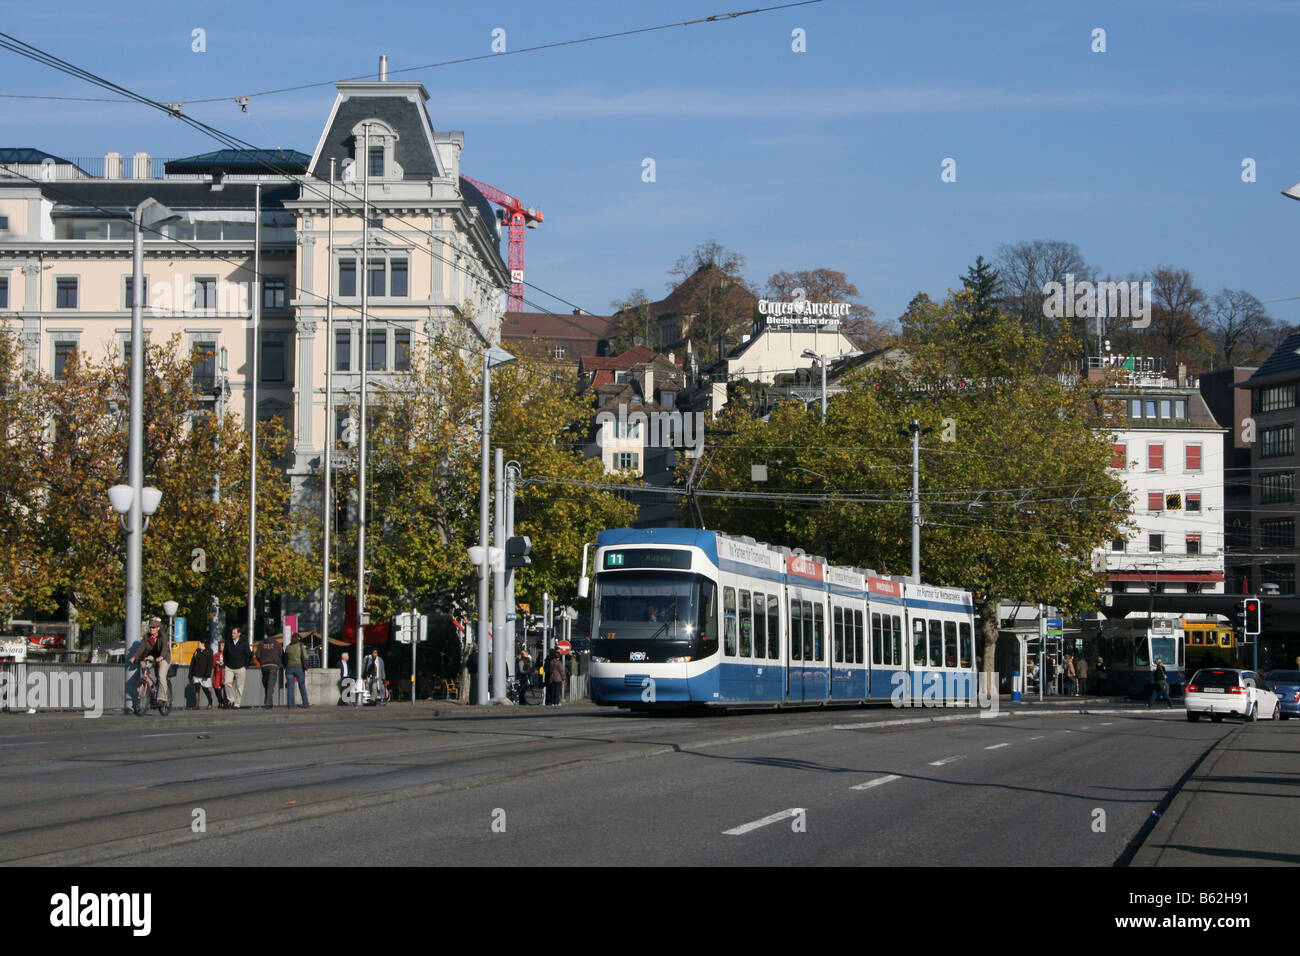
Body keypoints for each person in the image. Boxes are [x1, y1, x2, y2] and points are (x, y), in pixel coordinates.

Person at [131, 617, 171, 707]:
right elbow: (142, 647)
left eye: (153, 627)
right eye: (150, 627)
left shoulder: (163, 636)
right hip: (154, 656)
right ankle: (152, 686)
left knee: (161, 675)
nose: (151, 629)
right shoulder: (147, 636)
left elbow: (164, 648)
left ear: (158, 628)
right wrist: (135, 657)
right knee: (144, 665)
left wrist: (161, 657)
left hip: (164, 657)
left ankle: (162, 698)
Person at [223, 626, 250, 708]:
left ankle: (237, 704)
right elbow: (225, 654)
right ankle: (232, 699)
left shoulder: (244, 643)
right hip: (229, 667)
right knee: (227, 683)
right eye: (232, 633)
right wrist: (226, 664)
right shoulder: (228, 642)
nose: (232, 635)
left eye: (234, 633)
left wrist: (245, 666)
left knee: (239, 687)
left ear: (239, 634)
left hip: (240, 667)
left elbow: (248, 654)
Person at [284, 632, 310, 709]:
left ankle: (291, 705)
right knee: (302, 686)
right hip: (299, 668)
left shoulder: (288, 647)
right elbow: (306, 656)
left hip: (289, 668)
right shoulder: (300, 646)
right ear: (298, 638)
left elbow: (285, 658)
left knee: (290, 687)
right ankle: (305, 703)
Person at [259, 633, 284, 709]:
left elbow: (257, 655)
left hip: (264, 666)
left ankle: (269, 702)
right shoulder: (277, 644)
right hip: (273, 665)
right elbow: (281, 654)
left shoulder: (262, 644)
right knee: (270, 685)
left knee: (266, 684)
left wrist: (262, 661)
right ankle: (268, 703)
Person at [190, 641, 215, 709]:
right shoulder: (196, 652)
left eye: (200, 643)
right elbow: (192, 662)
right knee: (197, 688)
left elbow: (210, 663)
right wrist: (190, 673)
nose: (198, 645)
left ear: (203, 644)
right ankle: (197, 704)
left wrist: (208, 673)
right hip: (196, 673)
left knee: (205, 689)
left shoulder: (209, 652)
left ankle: (210, 701)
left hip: (204, 674)